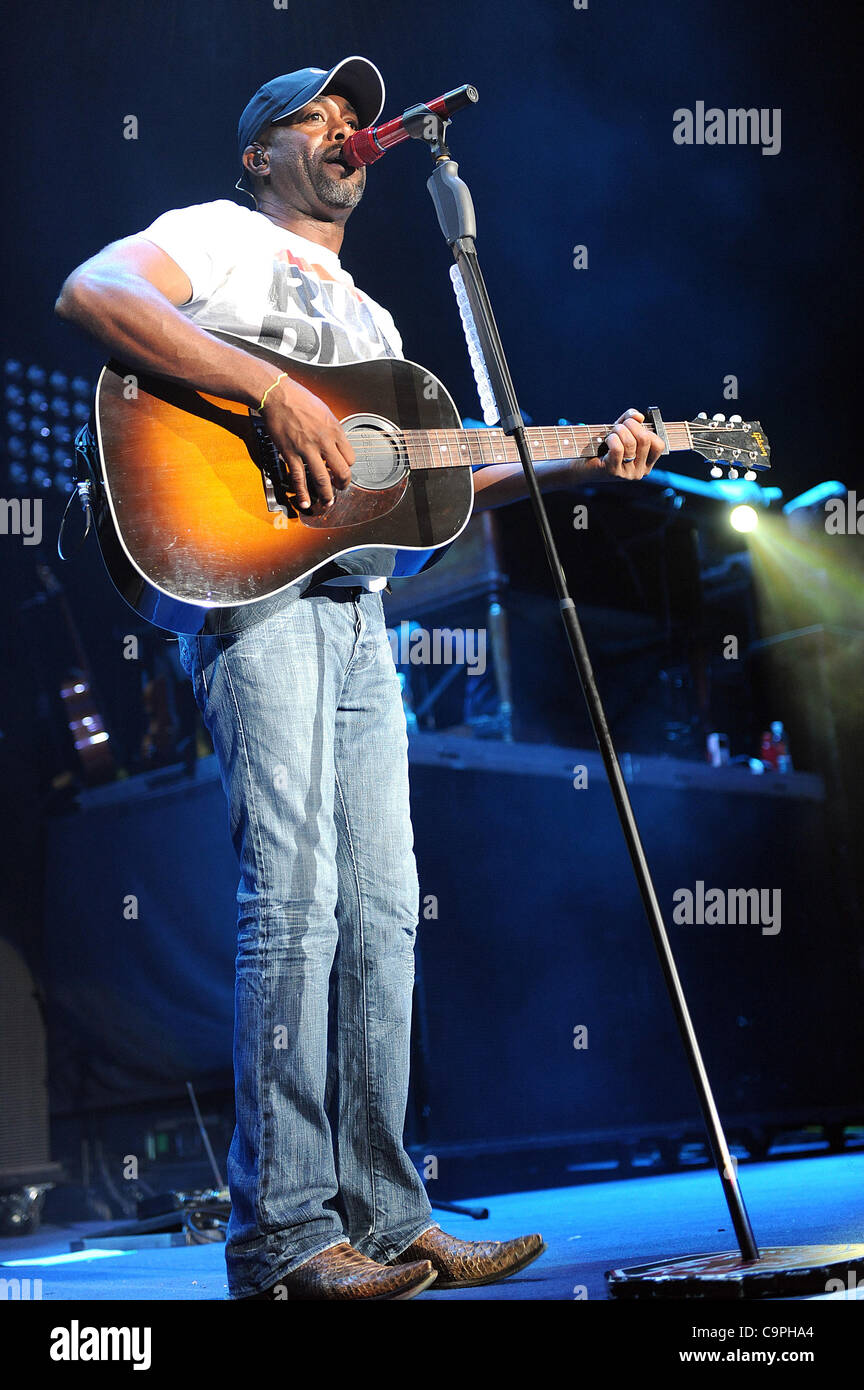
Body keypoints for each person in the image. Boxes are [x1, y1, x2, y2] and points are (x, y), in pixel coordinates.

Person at [55, 55, 665, 1301]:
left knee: (383, 909)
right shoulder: (215, 235)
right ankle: (282, 1238)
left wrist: (583, 460)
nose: (344, 132)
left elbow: (439, 480)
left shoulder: (380, 326)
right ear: (258, 152)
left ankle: (387, 1219)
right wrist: (273, 392)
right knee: (295, 898)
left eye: (350, 118)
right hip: (249, 587)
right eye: (312, 118)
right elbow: (93, 291)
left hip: (354, 612)